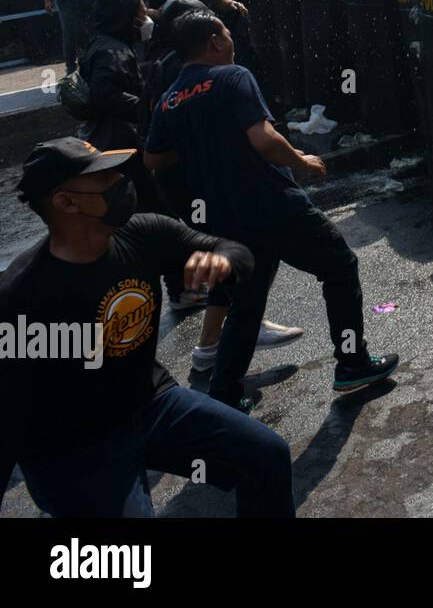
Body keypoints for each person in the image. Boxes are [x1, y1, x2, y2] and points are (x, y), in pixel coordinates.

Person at [0, 137, 294, 517]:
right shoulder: (22, 294)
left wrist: (221, 262)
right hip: (72, 446)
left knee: (266, 455)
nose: (122, 180)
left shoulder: (143, 233)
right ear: (66, 202)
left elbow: (235, 252)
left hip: (149, 403)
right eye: (104, 178)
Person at [143, 11, 399, 407]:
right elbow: (263, 138)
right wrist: (303, 161)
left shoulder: (170, 99)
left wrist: (205, 146)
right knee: (340, 267)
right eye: (227, 33)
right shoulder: (233, 77)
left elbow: (154, 159)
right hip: (273, 204)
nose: (232, 40)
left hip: (223, 218)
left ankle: (224, 395)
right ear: (214, 40)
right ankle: (352, 363)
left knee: (245, 303)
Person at [80, 0, 151, 152]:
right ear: (126, 19)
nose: (147, 21)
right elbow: (106, 95)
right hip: (116, 139)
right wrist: (147, 108)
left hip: (106, 133)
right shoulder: (113, 52)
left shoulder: (102, 42)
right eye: (142, 15)